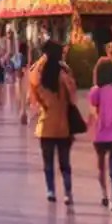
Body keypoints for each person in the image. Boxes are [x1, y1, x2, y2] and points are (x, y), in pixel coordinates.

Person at [29, 40, 76, 205]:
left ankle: (50, 191)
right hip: (63, 126)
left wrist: (41, 60)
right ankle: (68, 193)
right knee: (65, 163)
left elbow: (32, 82)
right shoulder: (64, 73)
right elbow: (73, 94)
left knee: (48, 162)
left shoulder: (41, 76)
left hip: (46, 126)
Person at [89, 59, 112, 216]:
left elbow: (93, 111)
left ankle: (104, 195)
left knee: (101, 167)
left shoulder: (96, 91)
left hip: (101, 134)